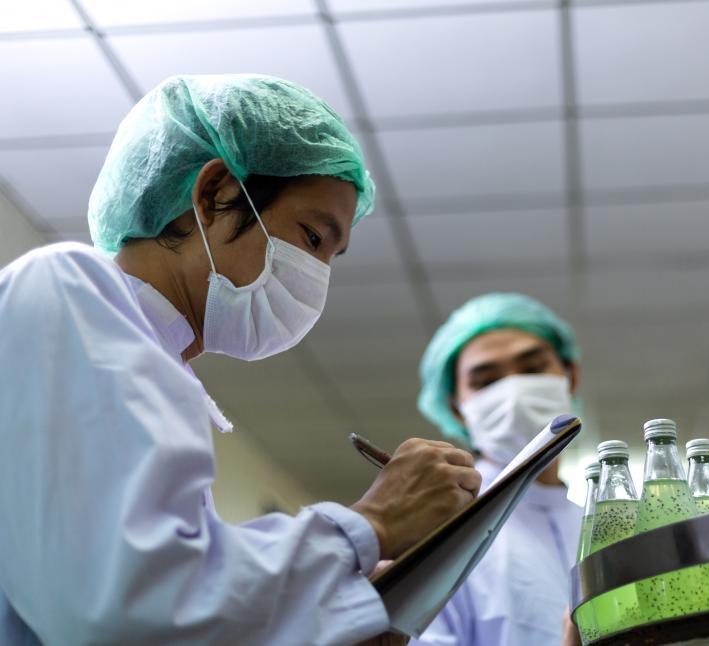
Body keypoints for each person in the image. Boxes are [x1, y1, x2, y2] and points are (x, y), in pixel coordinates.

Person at [0, 74, 481, 645]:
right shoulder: (66, 288)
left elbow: (177, 605)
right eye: (311, 237)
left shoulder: (161, 370)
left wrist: (333, 611)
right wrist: (373, 521)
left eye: (333, 255)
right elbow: (126, 607)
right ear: (214, 194)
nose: (318, 275)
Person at [412, 293, 583, 646]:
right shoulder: (437, 534)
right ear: (457, 409)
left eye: (533, 369)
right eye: (486, 381)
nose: (514, 392)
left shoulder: (601, 526)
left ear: (571, 377)